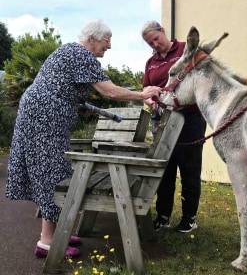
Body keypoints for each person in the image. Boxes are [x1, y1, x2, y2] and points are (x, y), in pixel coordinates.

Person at [5, 19, 162, 258]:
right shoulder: (82, 55)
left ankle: (57, 233)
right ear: (92, 38)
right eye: (107, 41)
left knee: (53, 169)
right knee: (52, 172)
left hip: (38, 113)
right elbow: (109, 90)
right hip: (44, 118)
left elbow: (58, 87)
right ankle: (47, 242)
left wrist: (81, 105)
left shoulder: (70, 51)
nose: (108, 47)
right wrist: (143, 93)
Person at [141, 21, 207, 233]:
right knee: (164, 169)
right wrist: (150, 100)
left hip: (190, 118)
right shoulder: (150, 62)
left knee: (189, 168)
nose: (154, 44)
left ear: (163, 32)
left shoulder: (185, 49)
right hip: (162, 119)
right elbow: (146, 89)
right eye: (150, 43)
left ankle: (189, 217)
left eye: (156, 39)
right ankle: (163, 216)